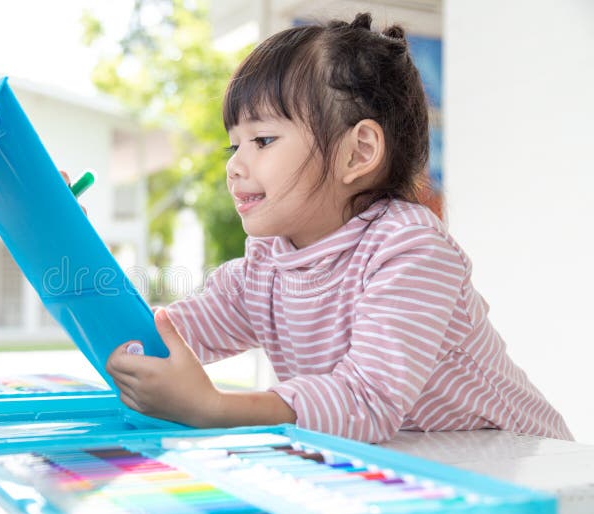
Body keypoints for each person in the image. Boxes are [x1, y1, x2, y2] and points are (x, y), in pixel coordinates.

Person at [104, 13, 573, 443]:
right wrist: (64, 234)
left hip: (528, 467)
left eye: (262, 140)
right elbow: (158, 339)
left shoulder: (412, 250)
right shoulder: (265, 265)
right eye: (234, 147)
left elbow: (367, 401)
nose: (236, 166)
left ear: (359, 151)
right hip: (420, 463)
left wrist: (213, 407)